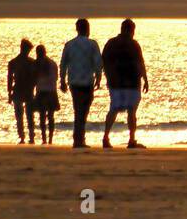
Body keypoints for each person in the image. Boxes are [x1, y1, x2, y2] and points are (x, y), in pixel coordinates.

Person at [101, 19, 149, 149]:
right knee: (131, 111)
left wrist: (103, 77)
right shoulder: (133, 44)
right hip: (132, 83)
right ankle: (131, 140)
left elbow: (103, 62)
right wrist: (145, 79)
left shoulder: (111, 43)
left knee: (114, 109)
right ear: (131, 30)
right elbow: (140, 63)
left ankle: (106, 137)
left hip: (115, 82)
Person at [60, 18, 103, 148]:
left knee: (78, 109)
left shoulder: (69, 44)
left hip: (74, 81)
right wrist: (99, 76)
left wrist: (62, 79)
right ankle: (79, 139)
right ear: (87, 29)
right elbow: (98, 62)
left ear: (77, 29)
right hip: (87, 81)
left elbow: (63, 63)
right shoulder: (92, 44)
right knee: (83, 110)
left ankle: (78, 138)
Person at [6, 38, 38, 144]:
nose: (28, 52)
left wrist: (10, 93)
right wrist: (9, 93)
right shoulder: (29, 62)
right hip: (23, 91)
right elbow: (10, 79)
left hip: (23, 91)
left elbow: (10, 79)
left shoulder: (15, 62)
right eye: (28, 50)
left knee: (25, 115)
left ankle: (26, 136)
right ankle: (25, 136)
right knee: (25, 115)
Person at [32, 44, 59, 144]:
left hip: (42, 92)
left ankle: (44, 139)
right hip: (51, 91)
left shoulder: (36, 64)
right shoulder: (52, 63)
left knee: (42, 116)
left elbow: (34, 79)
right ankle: (50, 139)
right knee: (50, 116)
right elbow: (56, 78)